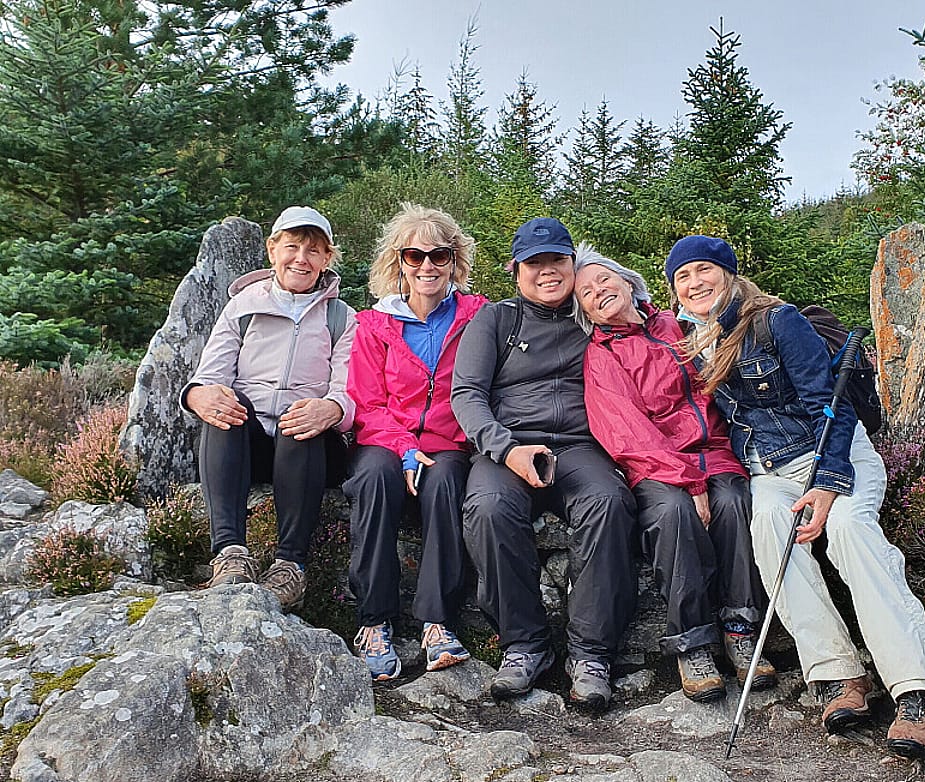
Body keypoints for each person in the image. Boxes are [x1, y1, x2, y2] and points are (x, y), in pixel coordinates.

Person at [667, 234, 925, 759]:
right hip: (768, 473)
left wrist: (827, 482)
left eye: (703, 270)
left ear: (729, 273)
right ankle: (838, 674)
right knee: (769, 532)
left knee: (849, 531)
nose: (694, 283)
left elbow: (831, 405)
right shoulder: (693, 341)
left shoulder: (778, 321)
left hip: (832, 456)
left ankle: (918, 692)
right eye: (682, 277)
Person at [572, 244, 776, 703]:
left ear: (629, 283)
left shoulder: (675, 325)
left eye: (604, 280)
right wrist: (687, 479)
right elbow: (626, 432)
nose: (599, 291)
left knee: (735, 502)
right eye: (586, 292)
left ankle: (741, 629)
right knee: (674, 514)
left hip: (714, 450)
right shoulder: (602, 355)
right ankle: (692, 643)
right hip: (654, 464)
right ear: (585, 312)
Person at [451, 218, 637, 712]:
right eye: (535, 263)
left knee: (609, 503)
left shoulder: (592, 315)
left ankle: (592, 654)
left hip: (581, 447)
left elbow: (644, 326)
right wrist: (506, 448)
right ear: (516, 271)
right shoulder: (495, 320)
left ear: (574, 264)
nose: (548, 270)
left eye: (557, 259)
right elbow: (466, 394)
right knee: (488, 509)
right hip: (507, 447)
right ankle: (524, 645)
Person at [182, 206, 356, 610]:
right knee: (228, 402)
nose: (301, 259)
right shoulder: (242, 306)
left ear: (326, 258)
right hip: (252, 445)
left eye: (313, 251)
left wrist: (331, 408)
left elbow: (348, 390)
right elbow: (208, 376)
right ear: (272, 250)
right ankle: (230, 554)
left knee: (303, 414)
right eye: (292, 247)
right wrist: (197, 396)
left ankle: (290, 566)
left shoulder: (341, 317)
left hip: (311, 452)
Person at [343, 204, 487, 680]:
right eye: (414, 255)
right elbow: (366, 401)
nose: (427, 265)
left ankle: (437, 622)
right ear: (398, 261)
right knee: (373, 480)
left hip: (450, 439)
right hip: (384, 438)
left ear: (454, 260)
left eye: (439, 255)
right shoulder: (373, 324)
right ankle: (374, 621)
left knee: (445, 483)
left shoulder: (478, 316)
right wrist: (405, 447)